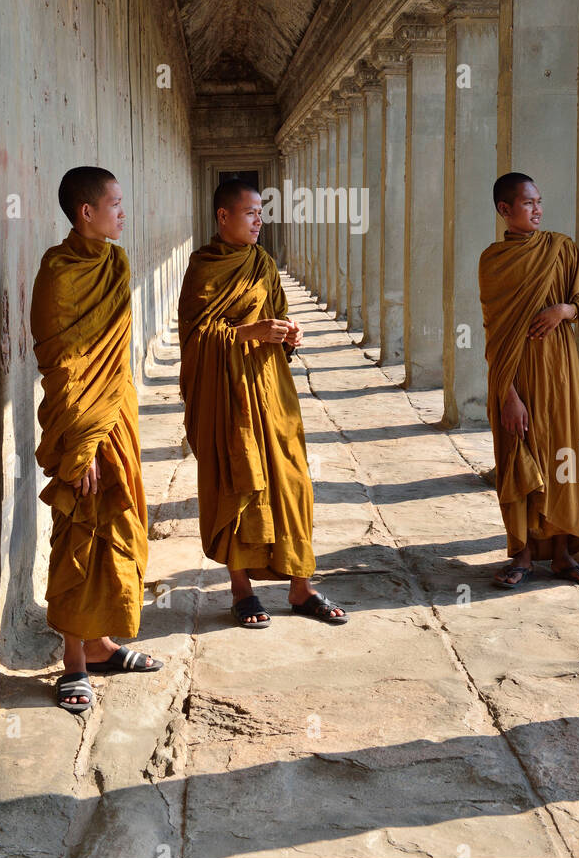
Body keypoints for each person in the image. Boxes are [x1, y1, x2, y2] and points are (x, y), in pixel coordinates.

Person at [178, 177, 348, 627]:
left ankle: (300, 586)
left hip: (272, 388)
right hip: (228, 396)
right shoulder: (203, 267)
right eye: (251, 213)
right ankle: (241, 590)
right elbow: (195, 340)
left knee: (293, 483)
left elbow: (279, 313)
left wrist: (292, 333)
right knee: (239, 482)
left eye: (261, 213)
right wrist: (244, 335)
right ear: (223, 217)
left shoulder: (263, 264)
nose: (259, 221)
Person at [31, 166, 162, 713]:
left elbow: (112, 353)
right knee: (79, 531)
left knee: (120, 522)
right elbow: (60, 364)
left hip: (117, 414)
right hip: (80, 425)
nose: (122, 213)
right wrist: (80, 443)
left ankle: (103, 644)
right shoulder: (58, 274)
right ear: (87, 212)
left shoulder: (117, 263)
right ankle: (73, 661)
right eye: (115, 204)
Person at [478, 173, 579, 589]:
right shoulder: (493, 261)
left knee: (565, 453)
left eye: (539, 202)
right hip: (515, 376)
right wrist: (507, 395)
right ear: (504, 210)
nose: (538, 210)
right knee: (519, 453)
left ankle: (564, 554)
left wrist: (564, 311)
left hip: (560, 373)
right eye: (528, 203)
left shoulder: (561, 249)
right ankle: (523, 554)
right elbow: (494, 334)